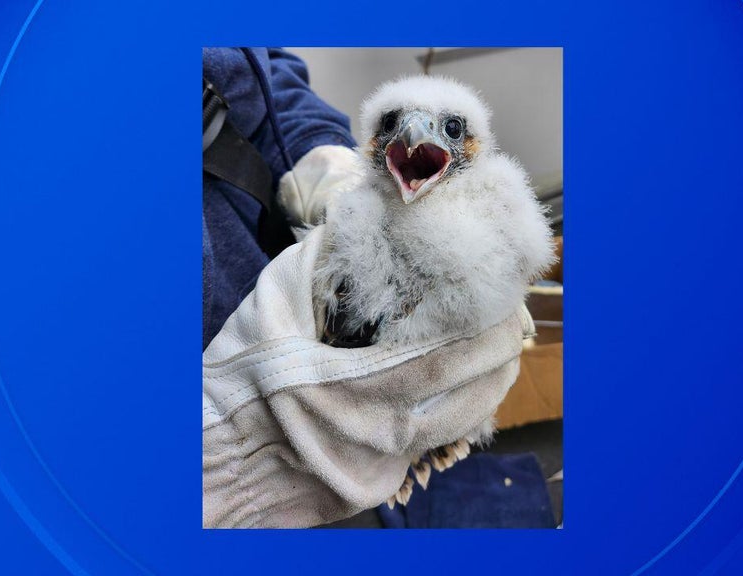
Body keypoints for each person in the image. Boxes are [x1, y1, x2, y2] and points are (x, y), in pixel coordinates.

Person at [201, 48, 531, 527]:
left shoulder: (496, 197)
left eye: (451, 131)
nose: (415, 136)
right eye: (394, 123)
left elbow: (267, 79)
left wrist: (319, 155)